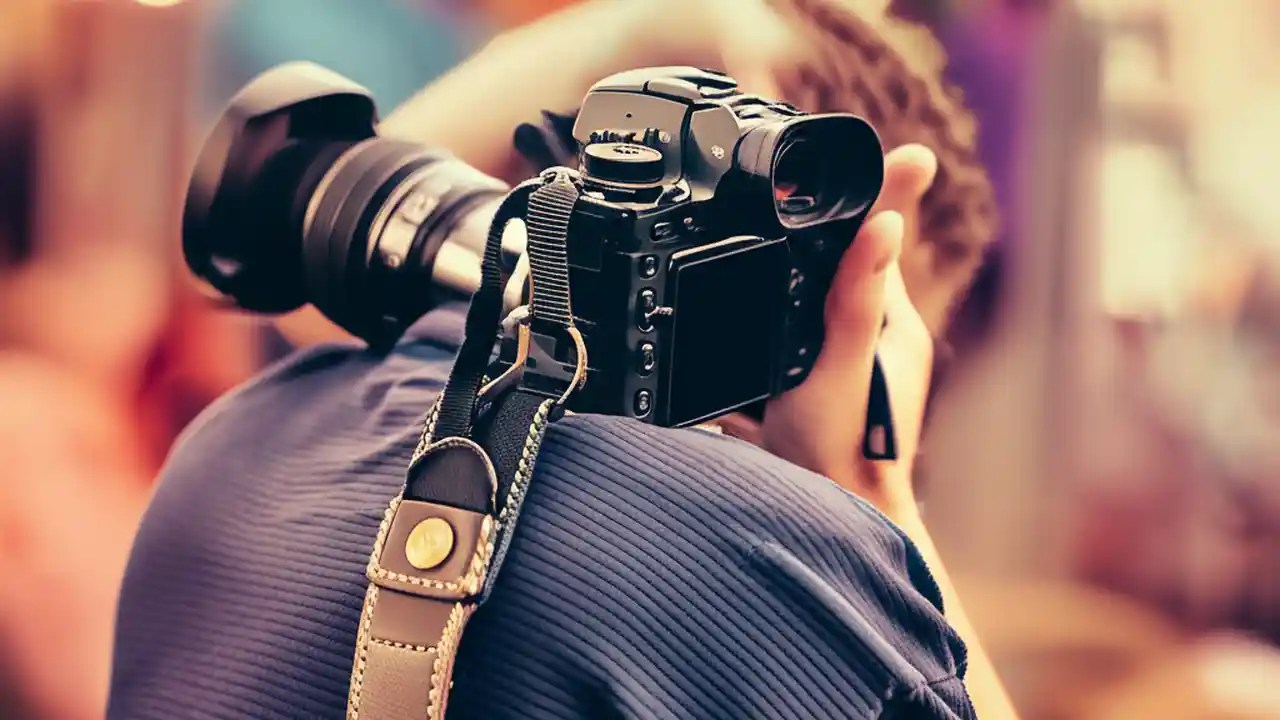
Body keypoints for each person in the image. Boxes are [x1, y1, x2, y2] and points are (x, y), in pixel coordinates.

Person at [109, 0, 1015, 718]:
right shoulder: (769, 559)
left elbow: (338, 288)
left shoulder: (231, 445)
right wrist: (875, 500)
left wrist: (647, 29)